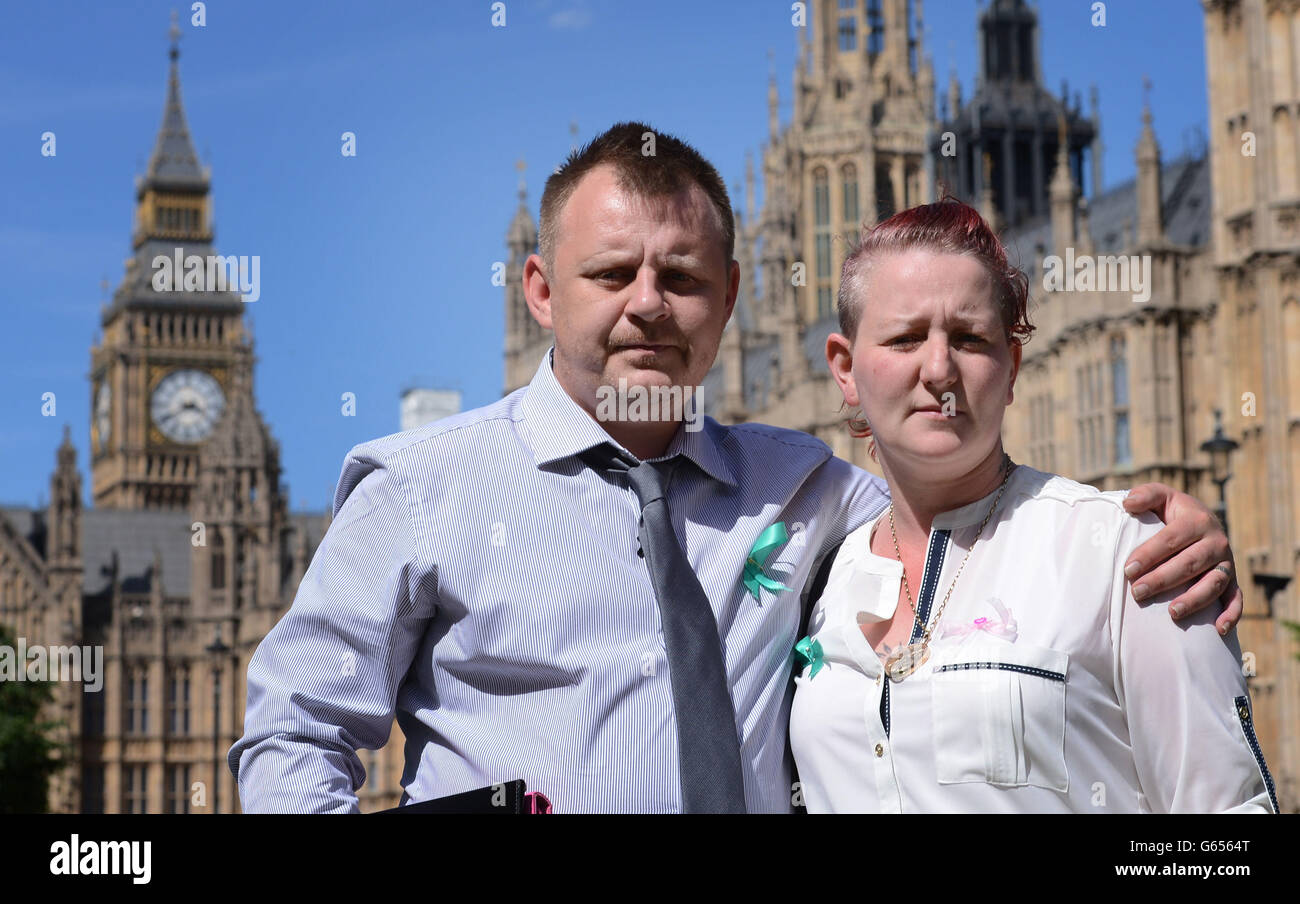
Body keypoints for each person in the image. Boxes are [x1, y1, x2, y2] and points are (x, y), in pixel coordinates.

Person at [229, 122, 1244, 814]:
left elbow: (970, 498)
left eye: (679, 276)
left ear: (728, 295)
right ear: (539, 290)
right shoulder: (420, 489)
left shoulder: (802, 489)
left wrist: (1150, 531)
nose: (646, 304)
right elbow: (291, 732)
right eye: (609, 273)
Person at [790, 197, 1276, 813]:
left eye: (968, 338)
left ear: (1012, 365)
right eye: (905, 337)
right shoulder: (816, 576)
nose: (938, 369)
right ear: (845, 368)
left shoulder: (1128, 553)